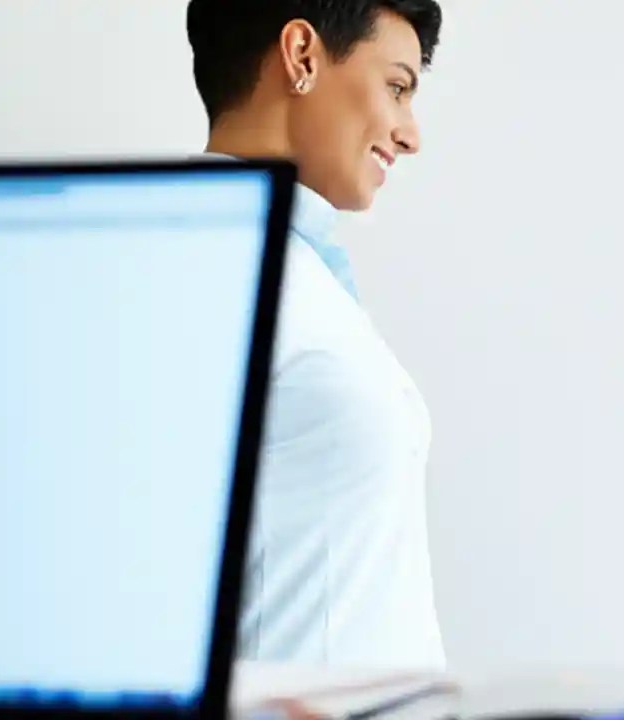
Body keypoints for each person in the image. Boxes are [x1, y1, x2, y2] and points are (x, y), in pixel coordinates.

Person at [184, 0, 446, 670]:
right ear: (302, 55)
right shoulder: (204, 269)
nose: (410, 134)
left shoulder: (294, 270)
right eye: (397, 86)